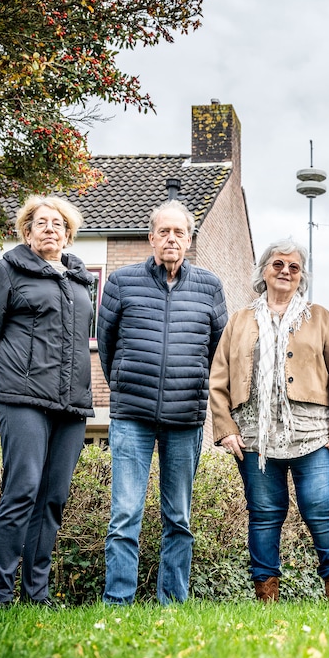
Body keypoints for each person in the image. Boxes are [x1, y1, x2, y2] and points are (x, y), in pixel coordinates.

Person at [0, 195, 96, 608]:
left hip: (71, 406)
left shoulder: (80, 281)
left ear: (68, 233)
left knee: (53, 498)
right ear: (27, 231)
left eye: (58, 224)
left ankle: (36, 596)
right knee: (21, 491)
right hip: (20, 400)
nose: (50, 229)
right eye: (41, 223)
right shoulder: (5, 271)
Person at [210, 240, 329, 602]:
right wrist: (226, 429)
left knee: (322, 508)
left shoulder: (319, 317)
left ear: (301, 276)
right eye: (278, 264)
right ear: (264, 271)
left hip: (312, 434)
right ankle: (266, 596)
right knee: (263, 515)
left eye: (293, 267)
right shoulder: (241, 320)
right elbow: (218, 378)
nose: (285, 271)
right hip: (255, 437)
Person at [97, 200, 227, 605]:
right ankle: (118, 602)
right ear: (151, 237)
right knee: (125, 517)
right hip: (131, 417)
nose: (172, 239)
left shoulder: (210, 286)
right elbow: (106, 345)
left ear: (190, 240)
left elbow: (219, 354)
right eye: (164, 231)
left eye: (180, 232)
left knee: (179, 519)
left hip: (186, 417)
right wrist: (124, 387)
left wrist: (196, 390)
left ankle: (172, 603)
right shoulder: (121, 282)